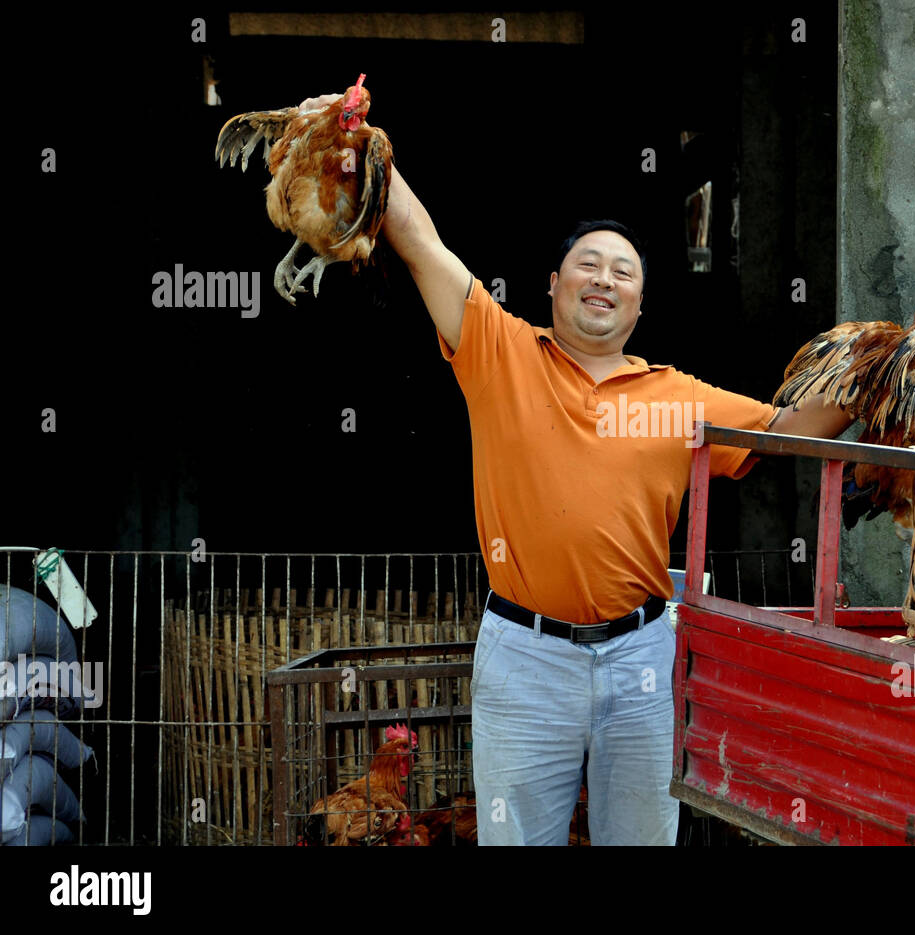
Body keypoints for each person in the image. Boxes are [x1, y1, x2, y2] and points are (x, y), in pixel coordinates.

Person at [300, 94, 852, 843]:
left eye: (622, 271)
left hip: (644, 656)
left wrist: (884, 376)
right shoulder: (500, 353)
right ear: (552, 286)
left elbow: (789, 430)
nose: (603, 279)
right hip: (525, 657)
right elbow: (421, 243)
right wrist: (361, 147)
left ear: (641, 300)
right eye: (585, 265)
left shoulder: (678, 396)